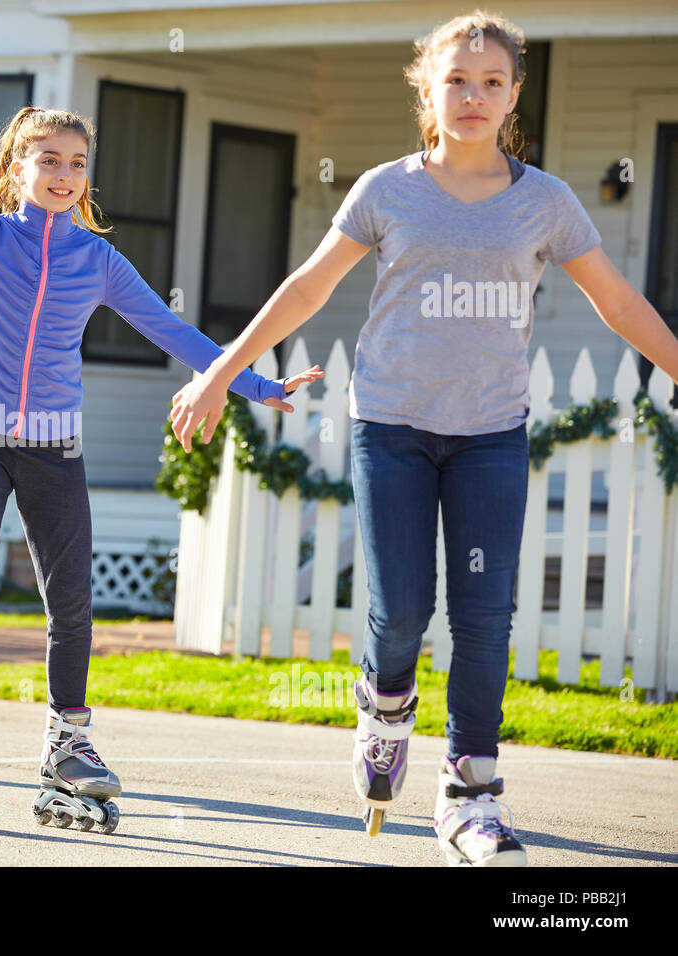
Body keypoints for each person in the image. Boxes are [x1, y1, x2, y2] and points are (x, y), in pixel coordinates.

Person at [168, 10, 678, 866]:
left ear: (515, 93)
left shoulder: (546, 202)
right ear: (426, 88)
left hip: (489, 438)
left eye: (491, 81)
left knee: (484, 618)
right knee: (402, 608)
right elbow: (305, 289)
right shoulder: (384, 190)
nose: (472, 95)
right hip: (393, 428)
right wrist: (220, 372)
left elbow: (620, 304)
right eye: (456, 79)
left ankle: (470, 798)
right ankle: (386, 709)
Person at [0, 68, 322, 829]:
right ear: (17, 169)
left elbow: (171, 331)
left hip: (55, 446)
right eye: (49, 160)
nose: (64, 175)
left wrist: (256, 386)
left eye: (76, 163)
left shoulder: (97, 261)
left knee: (72, 597)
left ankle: (68, 743)